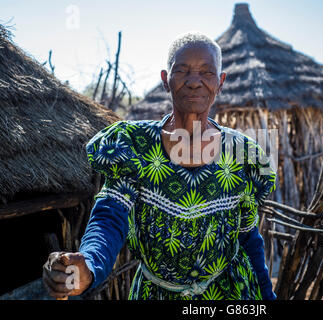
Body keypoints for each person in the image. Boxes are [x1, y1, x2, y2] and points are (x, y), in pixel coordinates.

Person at [42, 32, 277, 300]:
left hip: (232, 294)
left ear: (220, 82)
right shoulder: (135, 147)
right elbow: (109, 217)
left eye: (207, 72)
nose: (194, 81)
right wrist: (89, 265)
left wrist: (267, 297)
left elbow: (248, 238)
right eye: (182, 70)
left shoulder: (242, 154)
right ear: (166, 80)